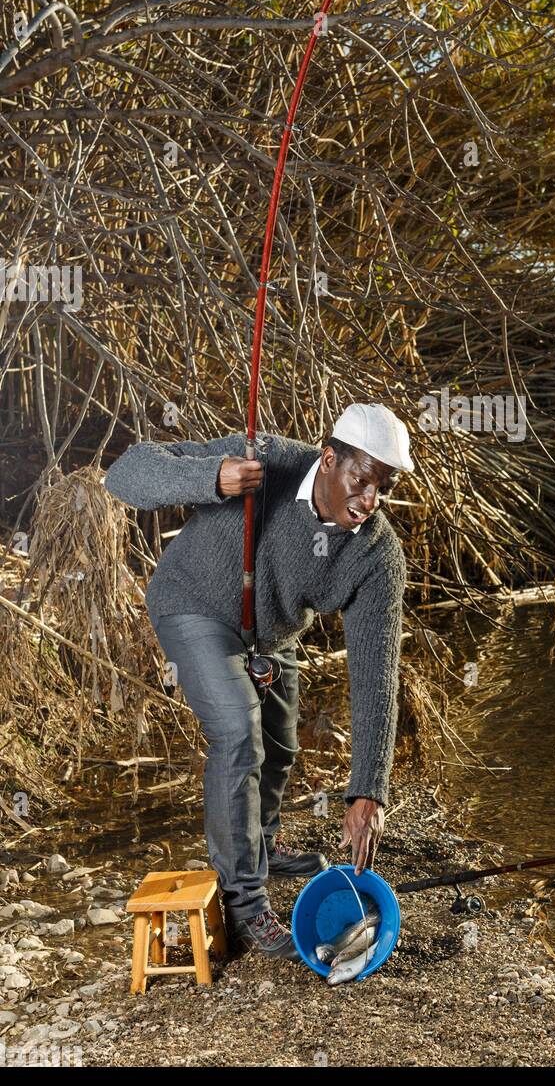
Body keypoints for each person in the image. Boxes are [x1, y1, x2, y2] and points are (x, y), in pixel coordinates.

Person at [104, 402, 412, 961]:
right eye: (360, 481)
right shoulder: (263, 460)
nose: (369, 502)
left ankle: (263, 842)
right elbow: (124, 473)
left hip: (268, 631)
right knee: (238, 731)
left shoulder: (376, 555)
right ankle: (244, 901)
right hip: (193, 604)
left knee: (281, 743)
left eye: (382, 489)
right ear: (328, 459)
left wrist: (368, 789)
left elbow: (375, 674)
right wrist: (210, 476)